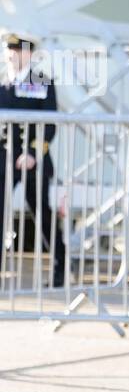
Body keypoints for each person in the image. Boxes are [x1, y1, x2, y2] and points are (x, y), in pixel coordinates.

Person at [0, 35, 66, 288]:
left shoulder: (40, 82)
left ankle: (60, 268)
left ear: (29, 54)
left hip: (32, 159)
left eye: (16, 50)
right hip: (5, 156)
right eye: (9, 50)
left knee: (41, 213)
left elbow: (49, 124)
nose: (11, 55)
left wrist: (33, 153)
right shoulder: (5, 83)